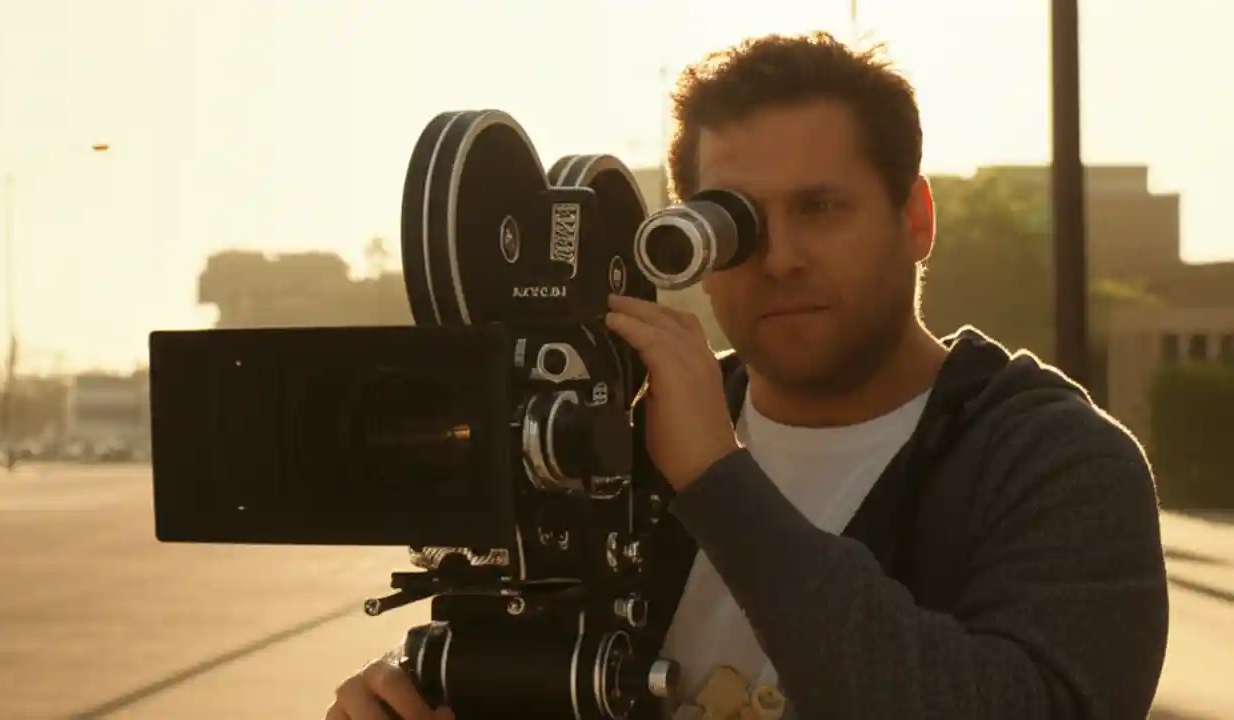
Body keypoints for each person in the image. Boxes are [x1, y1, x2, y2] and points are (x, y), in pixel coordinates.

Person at [326, 31, 1169, 720]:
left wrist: (716, 479)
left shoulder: (1054, 460)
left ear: (915, 219)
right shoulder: (609, 438)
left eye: (821, 208)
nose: (781, 259)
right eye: (734, 223)